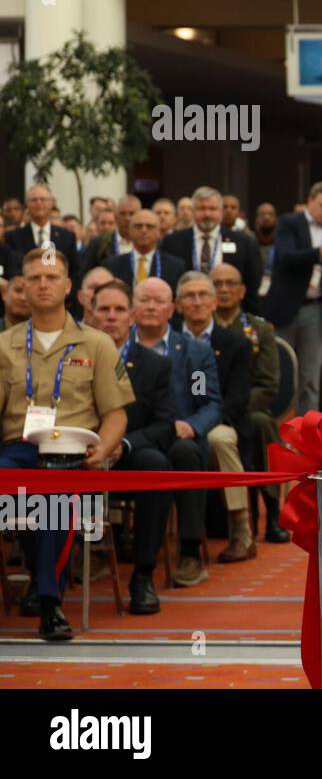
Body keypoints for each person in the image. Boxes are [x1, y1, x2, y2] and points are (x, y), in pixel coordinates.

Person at [0, 249, 133, 640]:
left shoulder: (97, 344)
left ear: (69, 286)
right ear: (21, 288)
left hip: (74, 455)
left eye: (52, 277)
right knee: (16, 487)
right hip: (19, 452)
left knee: (55, 499)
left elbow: (115, 415)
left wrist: (104, 449)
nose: (43, 285)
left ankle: (49, 601)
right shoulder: (4, 345)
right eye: (34, 279)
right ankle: (47, 595)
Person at [85, 279, 177, 614]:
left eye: (119, 309)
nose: (111, 316)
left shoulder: (156, 365)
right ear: (91, 315)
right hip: (79, 450)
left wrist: (121, 444)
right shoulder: (72, 357)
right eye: (103, 310)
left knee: (157, 466)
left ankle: (142, 577)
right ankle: (43, 582)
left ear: (132, 316)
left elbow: (165, 424)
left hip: (129, 450)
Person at [131, 277, 222, 587]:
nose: (152, 307)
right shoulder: (118, 349)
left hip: (177, 436)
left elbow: (208, 403)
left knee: (186, 454)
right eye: (145, 300)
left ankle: (189, 550)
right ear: (134, 307)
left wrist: (193, 424)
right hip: (136, 437)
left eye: (159, 301)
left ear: (172, 309)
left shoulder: (193, 354)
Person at [176, 271, 256, 560]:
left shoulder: (235, 343)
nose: (196, 302)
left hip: (222, 421)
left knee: (219, 439)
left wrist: (201, 423)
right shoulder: (167, 339)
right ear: (178, 304)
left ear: (213, 302)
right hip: (175, 423)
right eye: (189, 296)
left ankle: (241, 530)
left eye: (202, 296)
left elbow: (237, 398)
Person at [211, 262, 288, 542]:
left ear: (242, 291)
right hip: (208, 409)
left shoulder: (259, 329)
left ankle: (272, 514)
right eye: (217, 284)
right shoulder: (200, 329)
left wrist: (232, 407)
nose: (223, 289)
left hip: (249, 407)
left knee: (261, 424)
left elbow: (268, 385)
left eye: (230, 283)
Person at [262, 182, 322, 414]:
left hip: (317, 309)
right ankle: (277, 430)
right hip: (286, 308)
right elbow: (286, 258)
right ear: (310, 201)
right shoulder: (290, 222)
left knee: (310, 377)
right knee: (280, 373)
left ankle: (308, 436)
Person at [161, 187, 262, 310]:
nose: (207, 214)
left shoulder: (244, 242)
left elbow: (252, 284)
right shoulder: (172, 242)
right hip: (185, 315)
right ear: (193, 211)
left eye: (212, 209)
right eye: (201, 209)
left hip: (228, 314)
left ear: (220, 212)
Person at [4, 185, 80, 301]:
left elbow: (74, 271)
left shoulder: (67, 236)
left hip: (60, 302)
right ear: (27, 205)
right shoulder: (12, 236)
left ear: (51, 203)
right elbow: (11, 270)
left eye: (43, 199)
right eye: (34, 200)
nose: (39, 203)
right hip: (24, 301)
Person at [104, 209, 186, 295]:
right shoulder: (112, 266)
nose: (144, 230)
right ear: (130, 231)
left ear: (158, 232)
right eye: (138, 226)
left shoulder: (175, 267)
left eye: (149, 226)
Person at [80, 195, 140, 273]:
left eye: (132, 214)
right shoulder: (98, 243)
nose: (127, 218)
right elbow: (85, 274)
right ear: (116, 216)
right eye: (123, 214)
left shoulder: (149, 242)